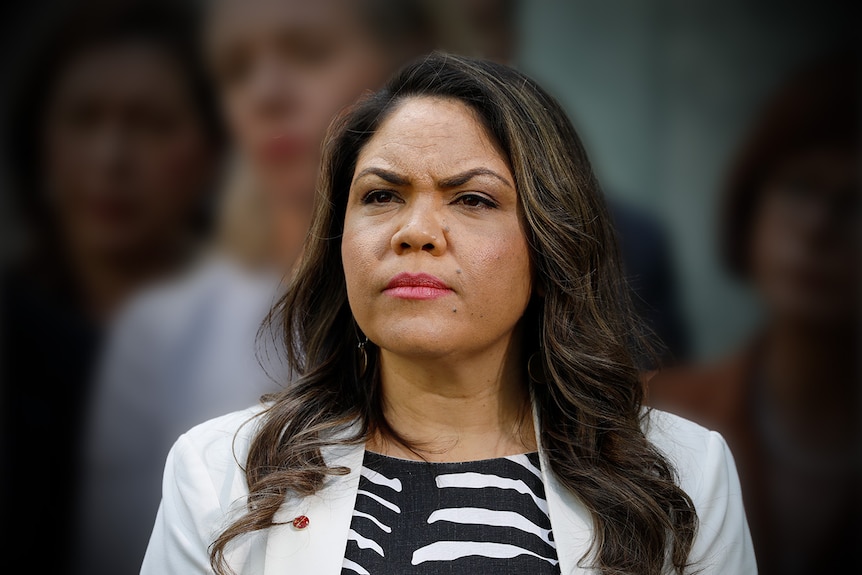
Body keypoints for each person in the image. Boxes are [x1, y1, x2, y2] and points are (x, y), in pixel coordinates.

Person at [141, 53, 755, 575]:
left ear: (551, 243)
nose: (415, 232)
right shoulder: (223, 472)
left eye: (472, 199)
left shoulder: (682, 478)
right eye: (382, 196)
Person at [74, 2, 483, 573]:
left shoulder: (531, 281)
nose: (266, 94)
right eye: (236, 69)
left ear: (412, 54)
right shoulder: (164, 334)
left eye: (308, 52)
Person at [0, 0, 223, 572]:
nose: (111, 157)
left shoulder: (260, 345)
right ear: (40, 145)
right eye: (83, 118)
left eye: (150, 124)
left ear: (211, 151)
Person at [647, 50, 859, 575]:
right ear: (750, 206)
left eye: (856, 201)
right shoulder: (650, 416)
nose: (817, 227)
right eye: (799, 186)